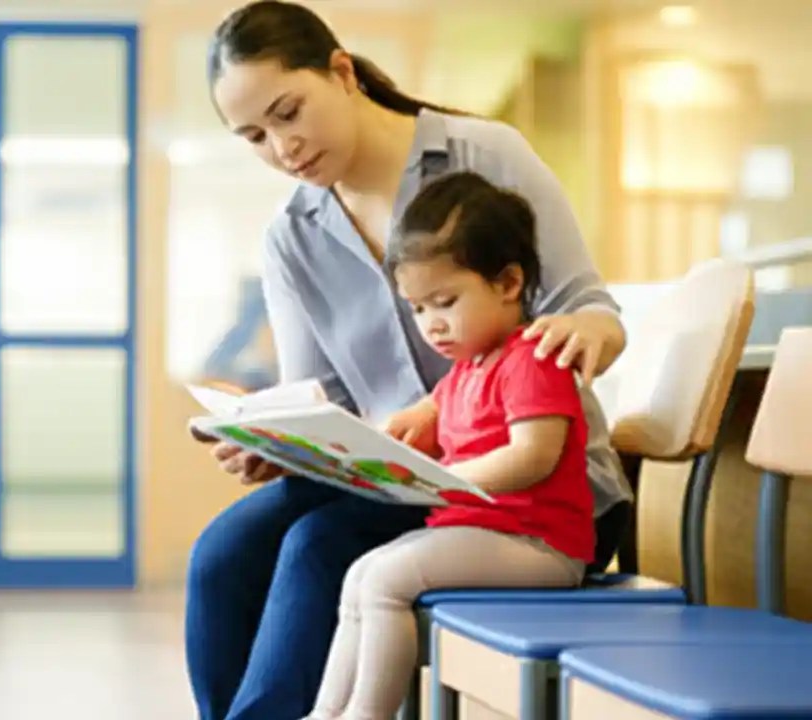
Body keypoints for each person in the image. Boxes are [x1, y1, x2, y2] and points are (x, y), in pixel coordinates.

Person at [185, 2, 633, 719]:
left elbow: (591, 309)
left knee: (317, 543)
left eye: (288, 112)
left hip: (526, 489)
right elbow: (324, 401)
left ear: (341, 70)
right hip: (394, 480)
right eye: (255, 137)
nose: (283, 147)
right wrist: (275, 443)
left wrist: (585, 333)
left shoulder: (485, 156)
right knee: (221, 554)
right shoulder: (292, 236)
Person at [306, 171, 594, 720]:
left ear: (508, 284)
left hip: (541, 547)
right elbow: (438, 409)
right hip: (489, 536)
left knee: (388, 579)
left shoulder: (532, 359)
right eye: (417, 309)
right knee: (361, 574)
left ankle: (366, 714)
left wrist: (450, 482)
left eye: (444, 301)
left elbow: (535, 455)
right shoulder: (467, 367)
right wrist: (404, 430)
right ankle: (325, 713)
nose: (430, 325)